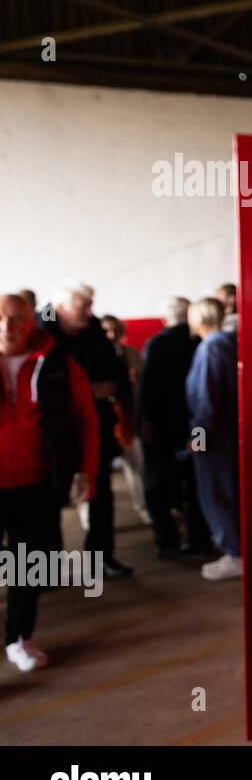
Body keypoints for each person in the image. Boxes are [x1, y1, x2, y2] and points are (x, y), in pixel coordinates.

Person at [0, 293, 99, 671]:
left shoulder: (57, 361)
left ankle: (19, 639)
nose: (8, 326)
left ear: (32, 322)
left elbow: (86, 417)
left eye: (16, 319)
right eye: (2, 319)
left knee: (28, 566)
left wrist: (87, 469)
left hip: (36, 483)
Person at [39, 281, 133, 578]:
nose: (89, 312)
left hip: (95, 426)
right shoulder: (41, 334)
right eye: (83, 307)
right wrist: (81, 392)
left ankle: (101, 559)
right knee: (48, 500)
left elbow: (119, 375)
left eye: (90, 306)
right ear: (61, 308)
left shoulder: (93, 331)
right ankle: (47, 565)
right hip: (52, 432)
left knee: (101, 495)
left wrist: (114, 387)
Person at [138, 298, 210, 558]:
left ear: (164, 318)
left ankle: (166, 540)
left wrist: (146, 422)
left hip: (161, 427)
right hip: (197, 426)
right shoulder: (199, 342)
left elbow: (147, 388)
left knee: (157, 483)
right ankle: (199, 537)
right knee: (195, 479)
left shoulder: (157, 343)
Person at [186, 298, 241, 581]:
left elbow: (206, 400)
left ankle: (235, 553)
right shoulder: (227, 342)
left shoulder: (211, 347)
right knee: (226, 491)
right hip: (227, 433)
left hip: (214, 437)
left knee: (216, 494)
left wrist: (197, 437)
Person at [101, 315, 148, 520]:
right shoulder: (95, 355)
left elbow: (145, 386)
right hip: (106, 418)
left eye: (115, 330)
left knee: (137, 463)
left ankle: (143, 505)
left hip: (129, 415)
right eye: (106, 331)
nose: (111, 335)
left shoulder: (132, 353)